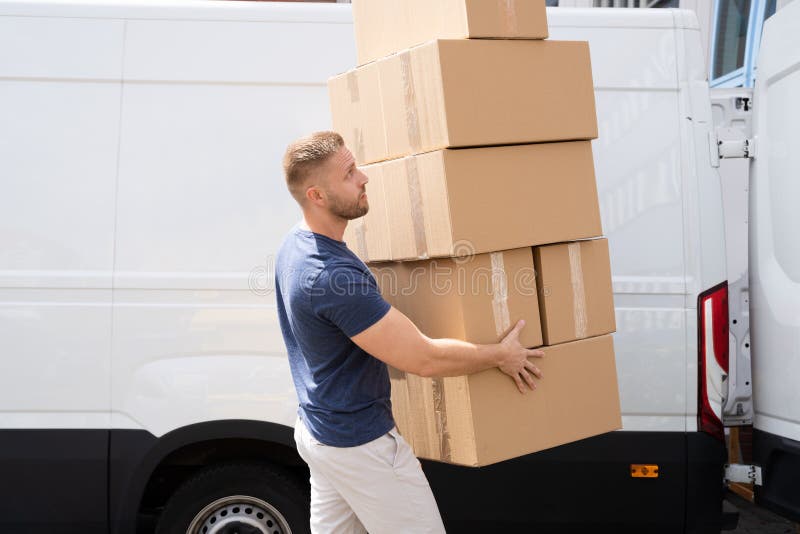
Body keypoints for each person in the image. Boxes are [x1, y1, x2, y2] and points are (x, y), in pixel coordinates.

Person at [275, 131, 544, 533]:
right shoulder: (332, 277)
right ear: (316, 195)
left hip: (321, 435)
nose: (363, 177)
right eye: (349, 174)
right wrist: (500, 355)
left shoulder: (293, 247)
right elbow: (423, 357)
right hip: (360, 445)